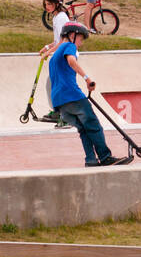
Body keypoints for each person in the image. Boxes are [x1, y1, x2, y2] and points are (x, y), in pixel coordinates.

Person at [48, 22, 129, 167]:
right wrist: (87, 79)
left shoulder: (54, 57)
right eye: (80, 39)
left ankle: (91, 160)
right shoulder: (69, 46)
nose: (80, 43)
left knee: (84, 130)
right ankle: (105, 157)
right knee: (94, 126)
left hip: (59, 103)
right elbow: (71, 60)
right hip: (72, 95)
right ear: (72, 35)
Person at [38, 0, 70, 123]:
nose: (47, 7)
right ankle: (58, 111)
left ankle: (64, 114)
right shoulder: (57, 17)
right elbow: (58, 40)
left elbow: (64, 40)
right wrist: (47, 47)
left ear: (57, 4)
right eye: (46, 4)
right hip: (60, 54)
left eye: (50, 4)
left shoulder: (62, 17)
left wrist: (49, 52)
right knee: (51, 83)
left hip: (65, 55)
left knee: (56, 84)